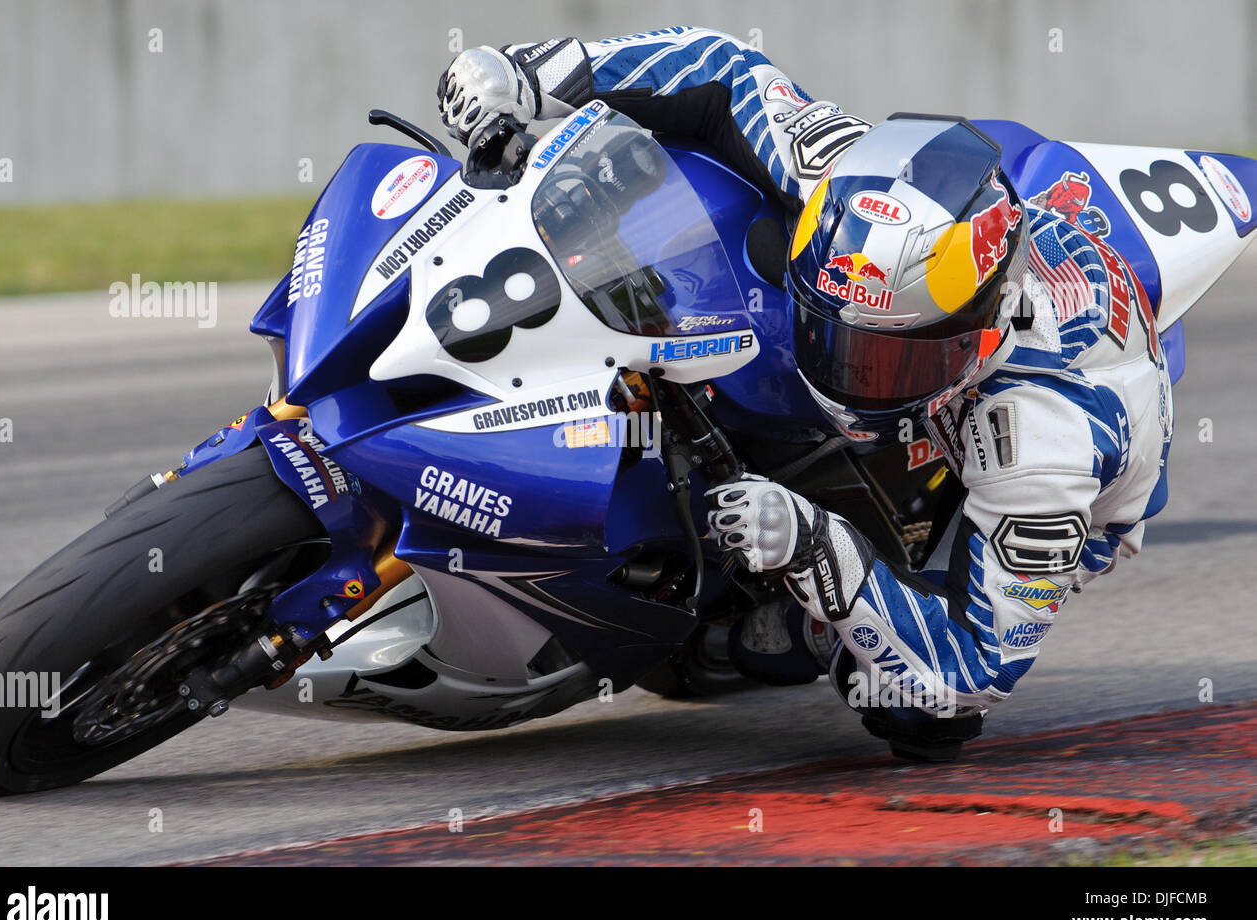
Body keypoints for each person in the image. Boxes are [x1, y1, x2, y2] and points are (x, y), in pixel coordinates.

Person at [436, 27, 1173, 760]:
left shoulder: (1045, 450)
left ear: (971, 343)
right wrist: (525, 74)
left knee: (905, 710)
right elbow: (717, 66)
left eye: (884, 361)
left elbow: (968, 673)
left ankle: (787, 619)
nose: (848, 373)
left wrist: (815, 548)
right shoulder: (857, 187)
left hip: (1045, 445)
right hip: (981, 270)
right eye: (840, 340)